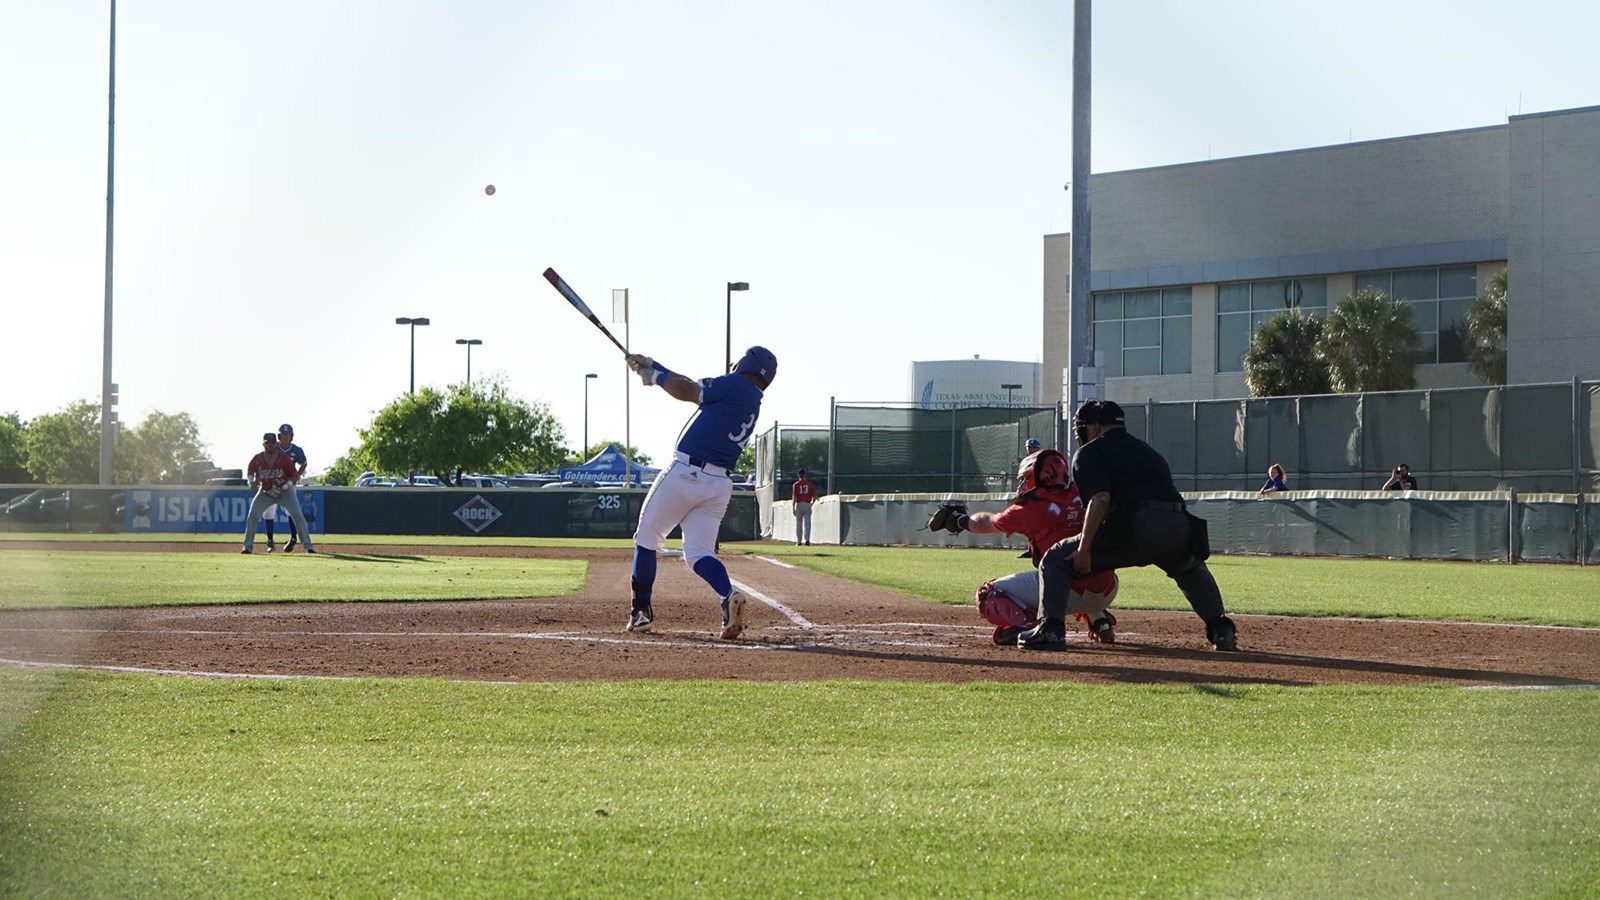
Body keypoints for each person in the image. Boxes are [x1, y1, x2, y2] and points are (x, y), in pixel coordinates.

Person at [1022, 400, 1238, 652]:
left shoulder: (1090, 451)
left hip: (1136, 526)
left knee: (1056, 559)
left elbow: (1100, 499)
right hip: (1179, 527)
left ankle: (1051, 630)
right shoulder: (1148, 451)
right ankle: (1221, 628)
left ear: (1095, 427)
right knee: (1189, 569)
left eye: (1083, 428)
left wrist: (1084, 549)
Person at [623, 345, 776, 639]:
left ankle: (640, 612)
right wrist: (654, 366)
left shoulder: (735, 384)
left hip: (686, 473)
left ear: (744, 364)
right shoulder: (751, 397)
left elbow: (689, 390)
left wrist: (655, 376)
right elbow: (690, 384)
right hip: (718, 484)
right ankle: (727, 593)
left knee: (647, 537)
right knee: (698, 553)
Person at [931, 448, 1120, 646]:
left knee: (988, 594)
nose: (1023, 484)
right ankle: (1099, 619)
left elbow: (984, 523)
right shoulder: (1085, 494)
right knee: (1077, 567)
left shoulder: (1030, 508)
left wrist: (960, 519)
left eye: (1026, 478)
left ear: (1039, 476)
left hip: (1066, 591)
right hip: (1109, 588)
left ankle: (1029, 624)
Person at [242, 432, 316, 554]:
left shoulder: (283, 459)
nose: (270, 445)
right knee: (253, 514)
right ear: (263, 444)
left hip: (285, 491)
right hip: (265, 491)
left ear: (276, 444)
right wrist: (251, 482)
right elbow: (250, 470)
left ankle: (308, 546)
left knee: (297, 515)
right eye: (267, 443)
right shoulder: (258, 458)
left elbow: (294, 476)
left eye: (272, 443)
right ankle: (247, 546)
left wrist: (284, 487)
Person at [274, 424, 310, 551]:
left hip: (288, 484)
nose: (285, 437)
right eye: (283, 435)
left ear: (291, 436)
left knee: (293, 512)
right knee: (264, 512)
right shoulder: (274, 447)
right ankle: (269, 542)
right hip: (272, 484)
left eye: (287, 435)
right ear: (279, 436)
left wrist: (297, 476)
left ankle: (294, 538)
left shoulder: (296, 450)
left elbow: (304, 463)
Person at [791, 468, 817, 546]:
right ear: (805, 475)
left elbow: (795, 497)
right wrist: (811, 504)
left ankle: (799, 541)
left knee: (799, 524)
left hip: (799, 504)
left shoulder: (796, 484)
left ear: (798, 475)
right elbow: (815, 497)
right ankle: (807, 540)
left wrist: (793, 507)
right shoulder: (810, 484)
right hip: (807, 504)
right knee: (807, 523)